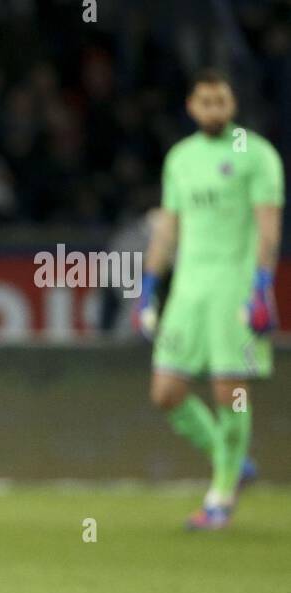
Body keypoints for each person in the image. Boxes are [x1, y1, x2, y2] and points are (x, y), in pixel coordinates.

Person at [137, 69, 284, 530]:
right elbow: (168, 227)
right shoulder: (181, 158)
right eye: (205, 102)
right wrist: (147, 289)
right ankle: (231, 460)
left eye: (221, 101)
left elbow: (268, 226)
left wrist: (262, 286)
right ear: (191, 106)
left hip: (235, 290)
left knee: (231, 394)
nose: (214, 110)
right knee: (166, 391)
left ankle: (219, 498)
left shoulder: (255, 154)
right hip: (189, 293)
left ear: (233, 105)